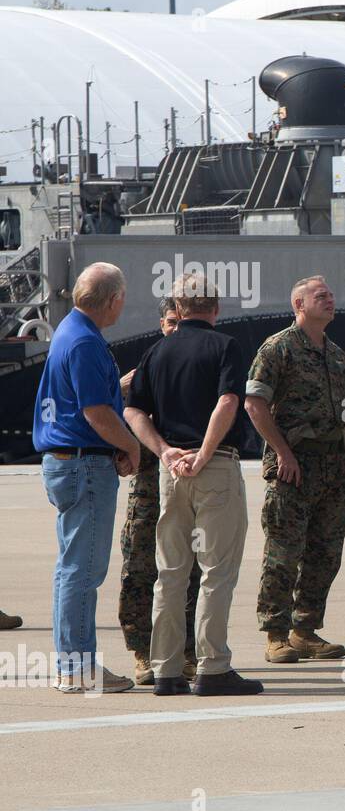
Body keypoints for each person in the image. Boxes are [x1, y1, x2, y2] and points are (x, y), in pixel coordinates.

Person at [125, 273, 261, 697]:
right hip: (213, 467)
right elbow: (228, 401)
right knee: (216, 571)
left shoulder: (155, 352)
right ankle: (212, 666)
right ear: (215, 309)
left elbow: (134, 412)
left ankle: (165, 670)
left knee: (170, 572)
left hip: (171, 473)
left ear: (178, 310)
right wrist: (203, 453)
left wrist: (165, 452)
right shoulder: (226, 347)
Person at [32, 262, 139, 693]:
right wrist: (131, 445)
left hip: (65, 462)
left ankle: (72, 663)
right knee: (83, 571)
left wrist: (118, 383)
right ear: (113, 300)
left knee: (70, 569)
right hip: (84, 466)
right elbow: (95, 414)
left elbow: (84, 399)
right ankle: (78, 668)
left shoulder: (69, 332)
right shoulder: (86, 344)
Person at [244, 275, 345, 663]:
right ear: (299, 305)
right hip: (294, 466)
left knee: (326, 552)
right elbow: (254, 405)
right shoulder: (278, 349)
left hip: (333, 467)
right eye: (320, 296)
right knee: (283, 552)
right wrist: (283, 454)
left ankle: (305, 629)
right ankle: (276, 633)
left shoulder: (338, 354)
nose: (330, 300)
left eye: (330, 295)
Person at [116, 294, 201, 685]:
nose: (174, 327)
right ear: (161, 324)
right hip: (149, 487)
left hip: (190, 484)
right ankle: (142, 651)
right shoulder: (143, 370)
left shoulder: (197, 367)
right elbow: (108, 416)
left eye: (180, 320)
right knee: (139, 567)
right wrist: (120, 390)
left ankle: (185, 650)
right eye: (169, 321)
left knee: (191, 569)